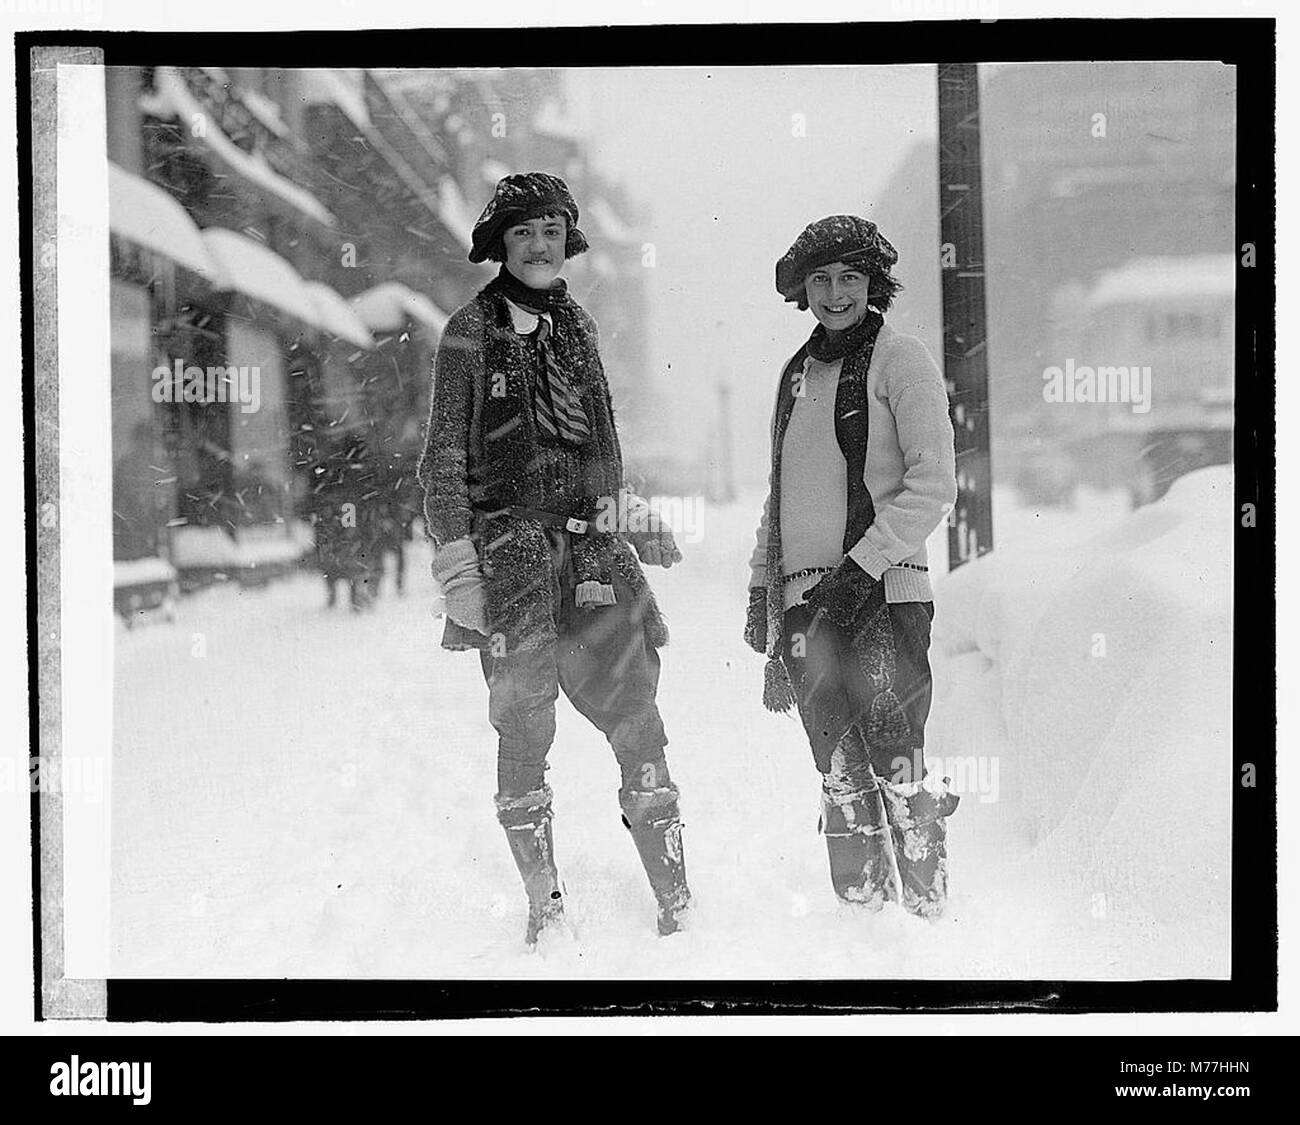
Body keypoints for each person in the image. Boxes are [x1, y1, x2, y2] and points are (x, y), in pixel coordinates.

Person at [416, 172, 690, 945]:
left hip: (593, 555)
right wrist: (459, 563)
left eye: (551, 230)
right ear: (500, 244)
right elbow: (441, 459)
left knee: (637, 715)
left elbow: (601, 446)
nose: (539, 245)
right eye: (523, 232)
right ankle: (545, 902)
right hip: (510, 561)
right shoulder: (469, 334)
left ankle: (677, 901)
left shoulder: (582, 330)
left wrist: (624, 511)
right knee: (523, 727)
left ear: (567, 239)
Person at [744, 215, 961, 917]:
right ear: (802, 288)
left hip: (885, 598)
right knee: (838, 774)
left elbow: (932, 485)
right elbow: (781, 495)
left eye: (851, 277)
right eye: (821, 279)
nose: (836, 293)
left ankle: (930, 928)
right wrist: (760, 586)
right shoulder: (795, 376)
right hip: (808, 607)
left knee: (898, 767)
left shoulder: (903, 361)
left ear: (874, 283)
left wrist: (861, 570)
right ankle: (863, 928)